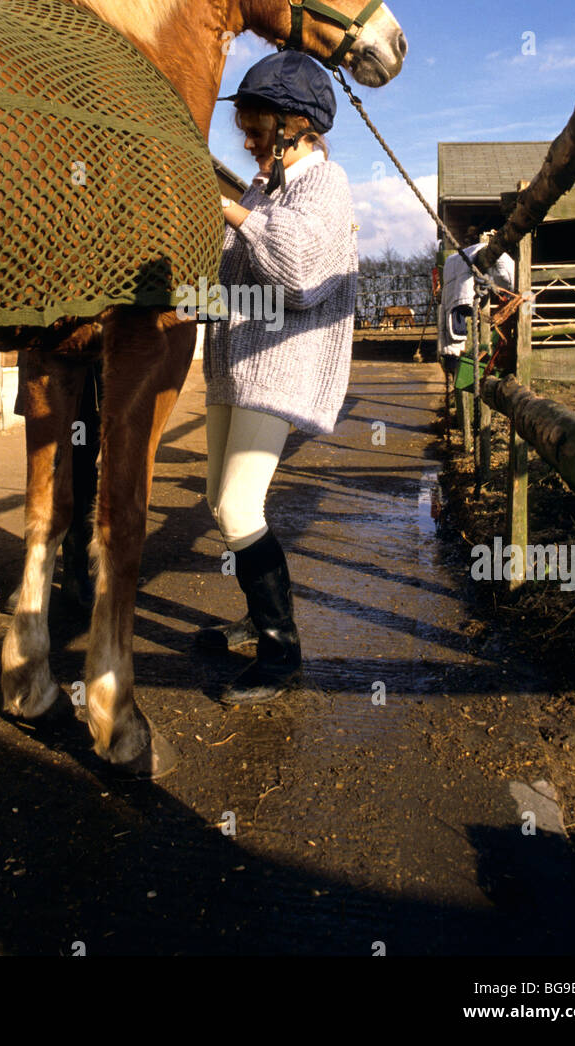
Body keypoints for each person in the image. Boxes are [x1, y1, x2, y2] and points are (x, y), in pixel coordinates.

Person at [197, 51, 358, 704]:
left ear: (296, 125)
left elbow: (297, 274)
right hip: (235, 366)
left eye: (256, 126)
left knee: (238, 506)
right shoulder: (265, 189)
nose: (245, 138)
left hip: (281, 369)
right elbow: (232, 276)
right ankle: (253, 615)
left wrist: (229, 212)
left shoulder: (326, 184)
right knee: (220, 502)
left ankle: (281, 653)